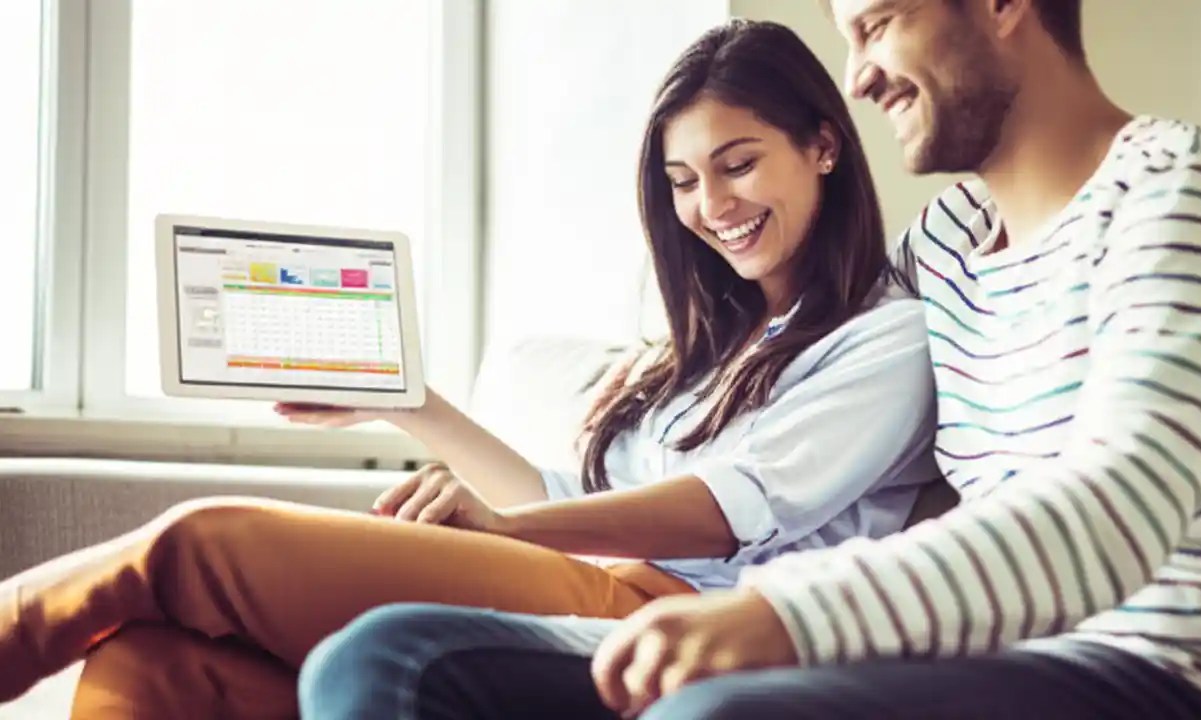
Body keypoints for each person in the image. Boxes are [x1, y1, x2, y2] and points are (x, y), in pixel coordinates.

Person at [297, 2, 1201, 719]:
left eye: (878, 23)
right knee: (386, 660)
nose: (855, 77)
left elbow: (1108, 519)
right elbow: (816, 336)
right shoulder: (944, 247)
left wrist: (784, 617)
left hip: (1164, 669)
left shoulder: (1181, 197)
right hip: (972, 649)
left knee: (705, 716)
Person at [0, 14, 947, 720]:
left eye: (738, 164)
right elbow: (571, 492)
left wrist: (509, 528)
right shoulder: (713, 348)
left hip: (687, 615)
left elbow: (719, 511)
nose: (710, 205)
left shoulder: (886, 338)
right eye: (684, 181)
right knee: (156, 664)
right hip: (603, 576)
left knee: (200, 543)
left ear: (824, 145)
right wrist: (412, 405)